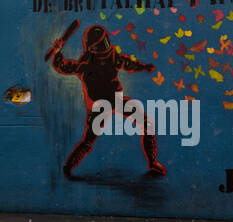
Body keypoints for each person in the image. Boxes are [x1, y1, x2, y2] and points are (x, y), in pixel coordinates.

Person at [50, 24, 164, 177]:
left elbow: (128, 63)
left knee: (147, 124)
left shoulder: (112, 56)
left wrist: (143, 67)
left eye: (105, 42)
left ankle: (152, 161)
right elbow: (64, 66)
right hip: (99, 107)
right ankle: (68, 167)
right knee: (88, 141)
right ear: (93, 48)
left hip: (115, 100)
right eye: (101, 45)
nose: (105, 47)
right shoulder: (86, 64)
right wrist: (57, 52)